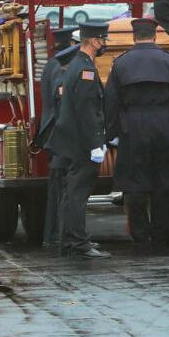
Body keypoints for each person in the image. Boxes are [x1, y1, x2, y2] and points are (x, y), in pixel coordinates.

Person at [105, 18, 169, 250]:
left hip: (132, 125)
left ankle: (140, 236)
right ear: (154, 36)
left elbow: (111, 102)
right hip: (165, 124)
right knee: (164, 183)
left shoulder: (120, 64)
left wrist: (111, 133)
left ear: (134, 37)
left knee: (135, 184)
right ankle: (161, 235)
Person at [45, 22, 111, 259]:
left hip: (73, 140)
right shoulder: (85, 70)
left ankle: (69, 240)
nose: (104, 45)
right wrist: (96, 143)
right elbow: (87, 111)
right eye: (103, 40)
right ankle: (78, 242)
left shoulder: (76, 65)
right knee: (77, 193)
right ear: (94, 41)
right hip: (82, 142)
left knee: (72, 192)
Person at [35, 26, 78, 251]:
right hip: (61, 135)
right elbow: (61, 101)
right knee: (62, 189)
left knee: (57, 189)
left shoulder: (50, 64)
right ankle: (59, 237)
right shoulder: (62, 68)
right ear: (70, 43)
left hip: (53, 133)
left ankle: (52, 236)